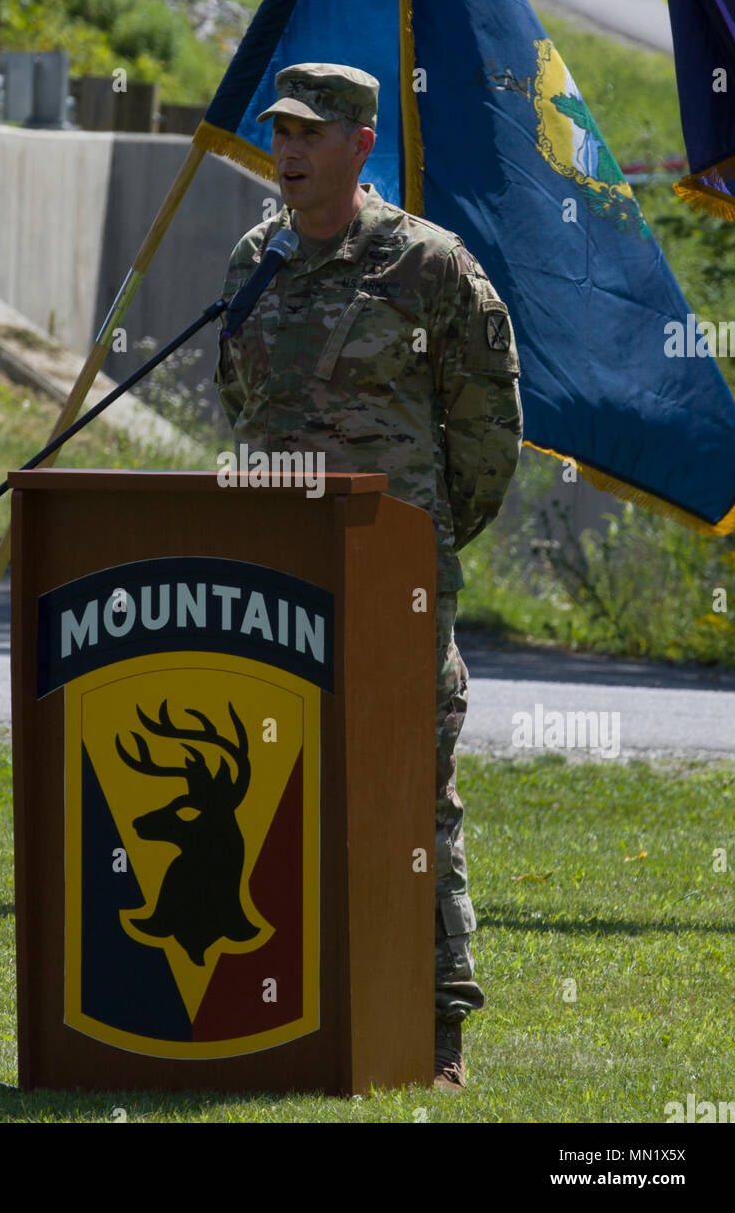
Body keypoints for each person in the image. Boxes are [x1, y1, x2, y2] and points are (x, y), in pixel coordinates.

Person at [213, 63, 523, 1090]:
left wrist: (424, 544)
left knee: (408, 794)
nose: (287, 152)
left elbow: (486, 427)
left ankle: (437, 1025)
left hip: (390, 573)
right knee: (272, 781)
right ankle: (279, 999)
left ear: (358, 143)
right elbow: (239, 402)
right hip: (272, 575)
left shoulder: (424, 265)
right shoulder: (252, 260)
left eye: (308, 133)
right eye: (278, 133)